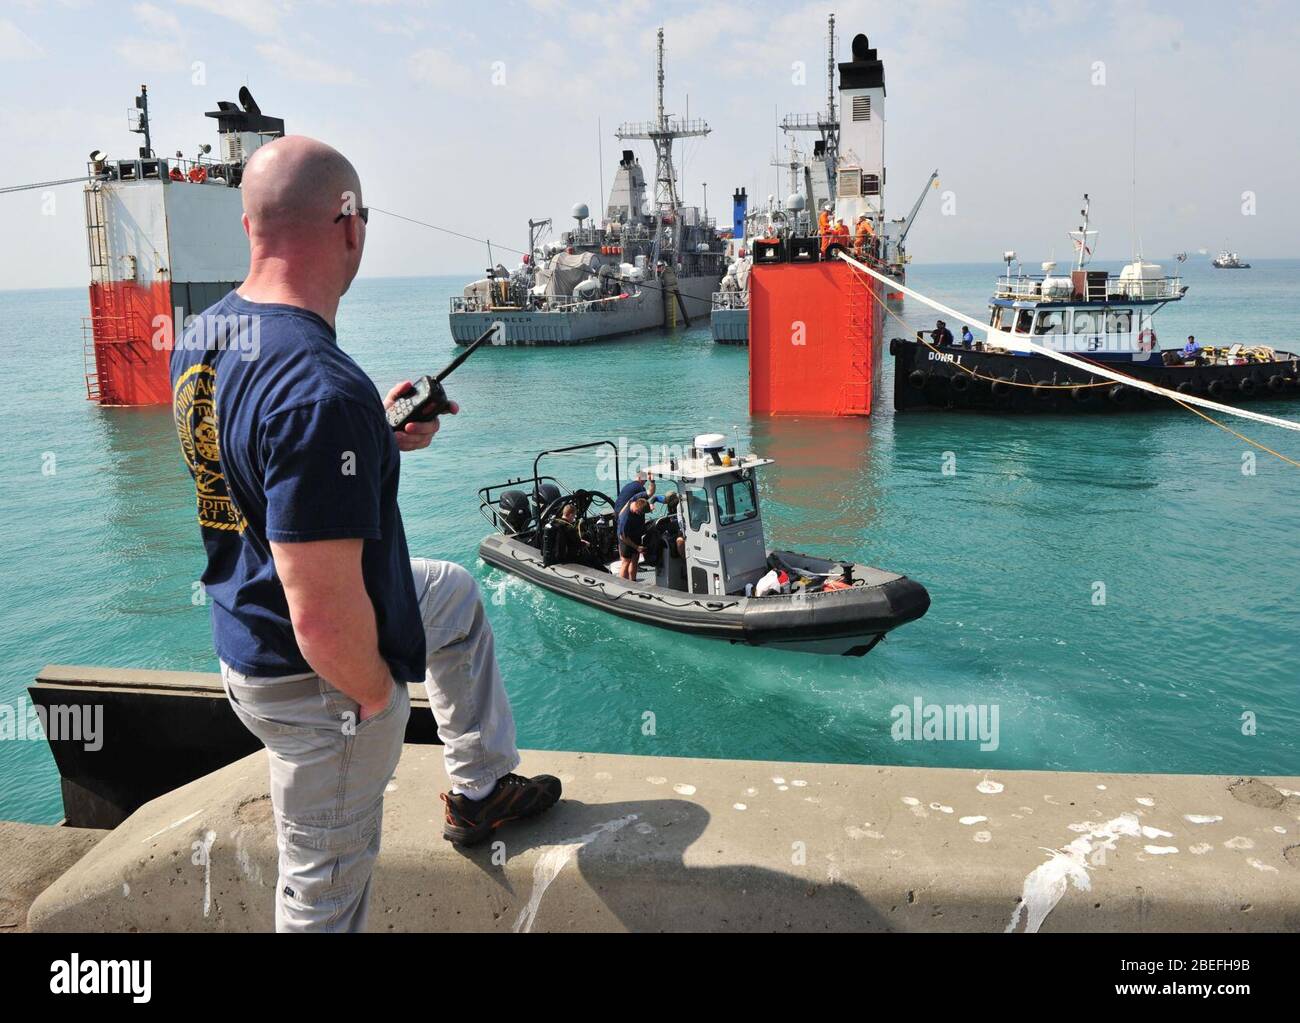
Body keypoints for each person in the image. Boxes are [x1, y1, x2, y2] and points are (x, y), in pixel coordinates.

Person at [169, 136, 560, 933]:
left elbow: (256, 461)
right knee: (321, 901)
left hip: (248, 627)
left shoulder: (209, 334)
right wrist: (378, 703)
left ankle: (481, 788)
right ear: (348, 223)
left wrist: (375, 434)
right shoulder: (319, 387)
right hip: (311, 680)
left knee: (448, 595)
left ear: (251, 226)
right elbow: (321, 617)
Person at [617, 497, 650, 580]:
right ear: (637, 510)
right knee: (626, 562)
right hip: (626, 539)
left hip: (636, 535)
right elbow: (623, 537)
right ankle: (622, 584)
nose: (641, 514)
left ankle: (633, 582)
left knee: (635, 560)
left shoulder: (636, 501)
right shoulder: (626, 518)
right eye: (640, 513)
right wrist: (636, 547)